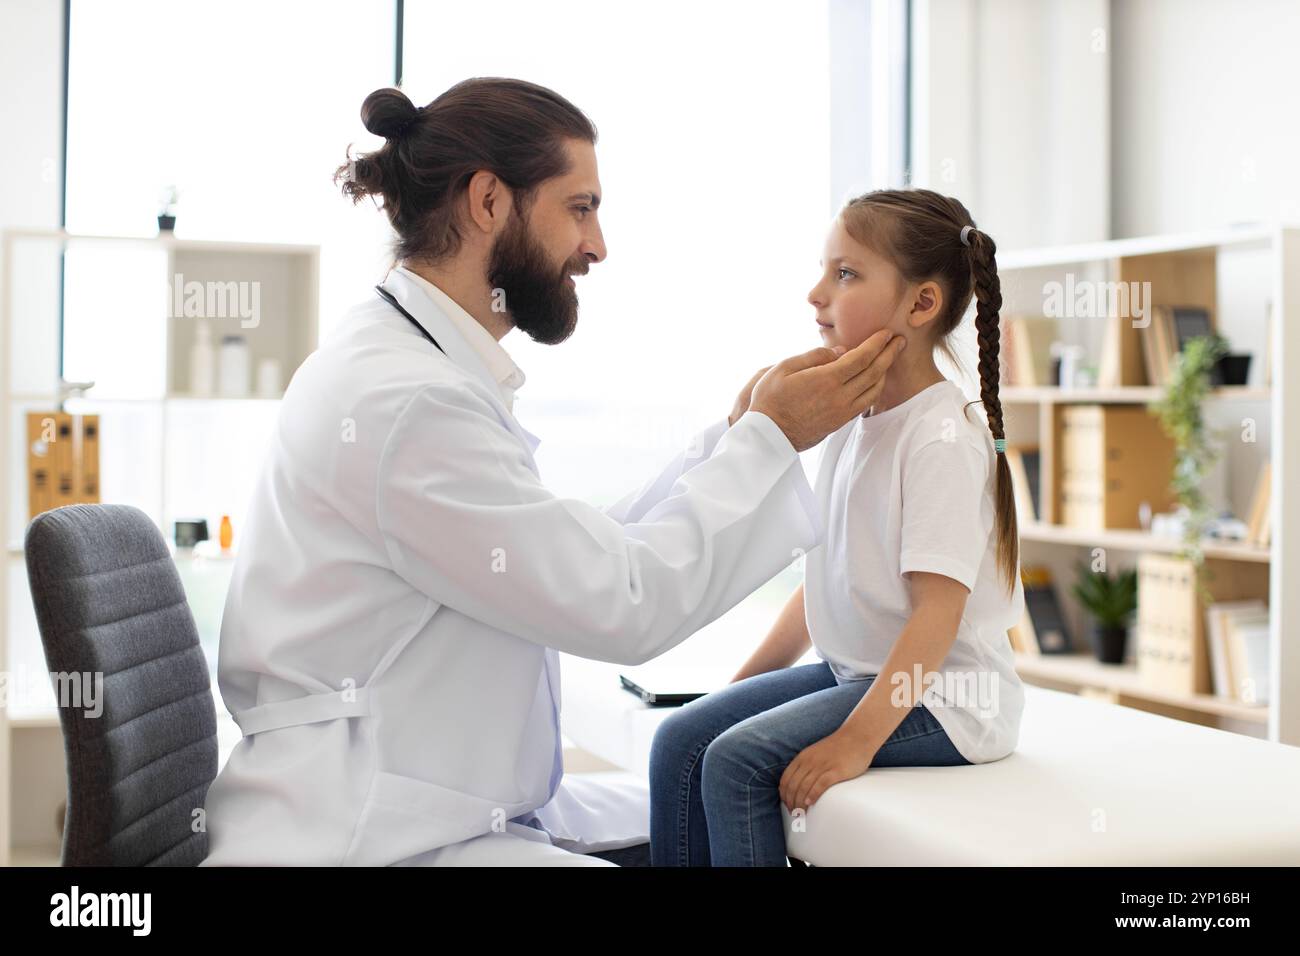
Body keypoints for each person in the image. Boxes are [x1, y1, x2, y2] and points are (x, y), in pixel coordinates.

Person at [199, 78, 906, 867]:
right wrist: (772, 439)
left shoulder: (414, 368)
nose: (598, 244)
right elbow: (620, 603)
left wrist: (739, 438)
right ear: (489, 201)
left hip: (432, 799)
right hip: (367, 834)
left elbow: (580, 551)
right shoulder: (407, 403)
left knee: (705, 811)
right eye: (580, 207)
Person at [648, 188, 1027, 866]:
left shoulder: (941, 435)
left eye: (845, 274)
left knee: (735, 763)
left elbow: (938, 616)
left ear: (921, 304)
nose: (816, 293)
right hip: (857, 673)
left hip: (947, 697)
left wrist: (856, 741)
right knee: (682, 740)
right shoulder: (853, 421)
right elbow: (826, 583)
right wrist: (736, 690)